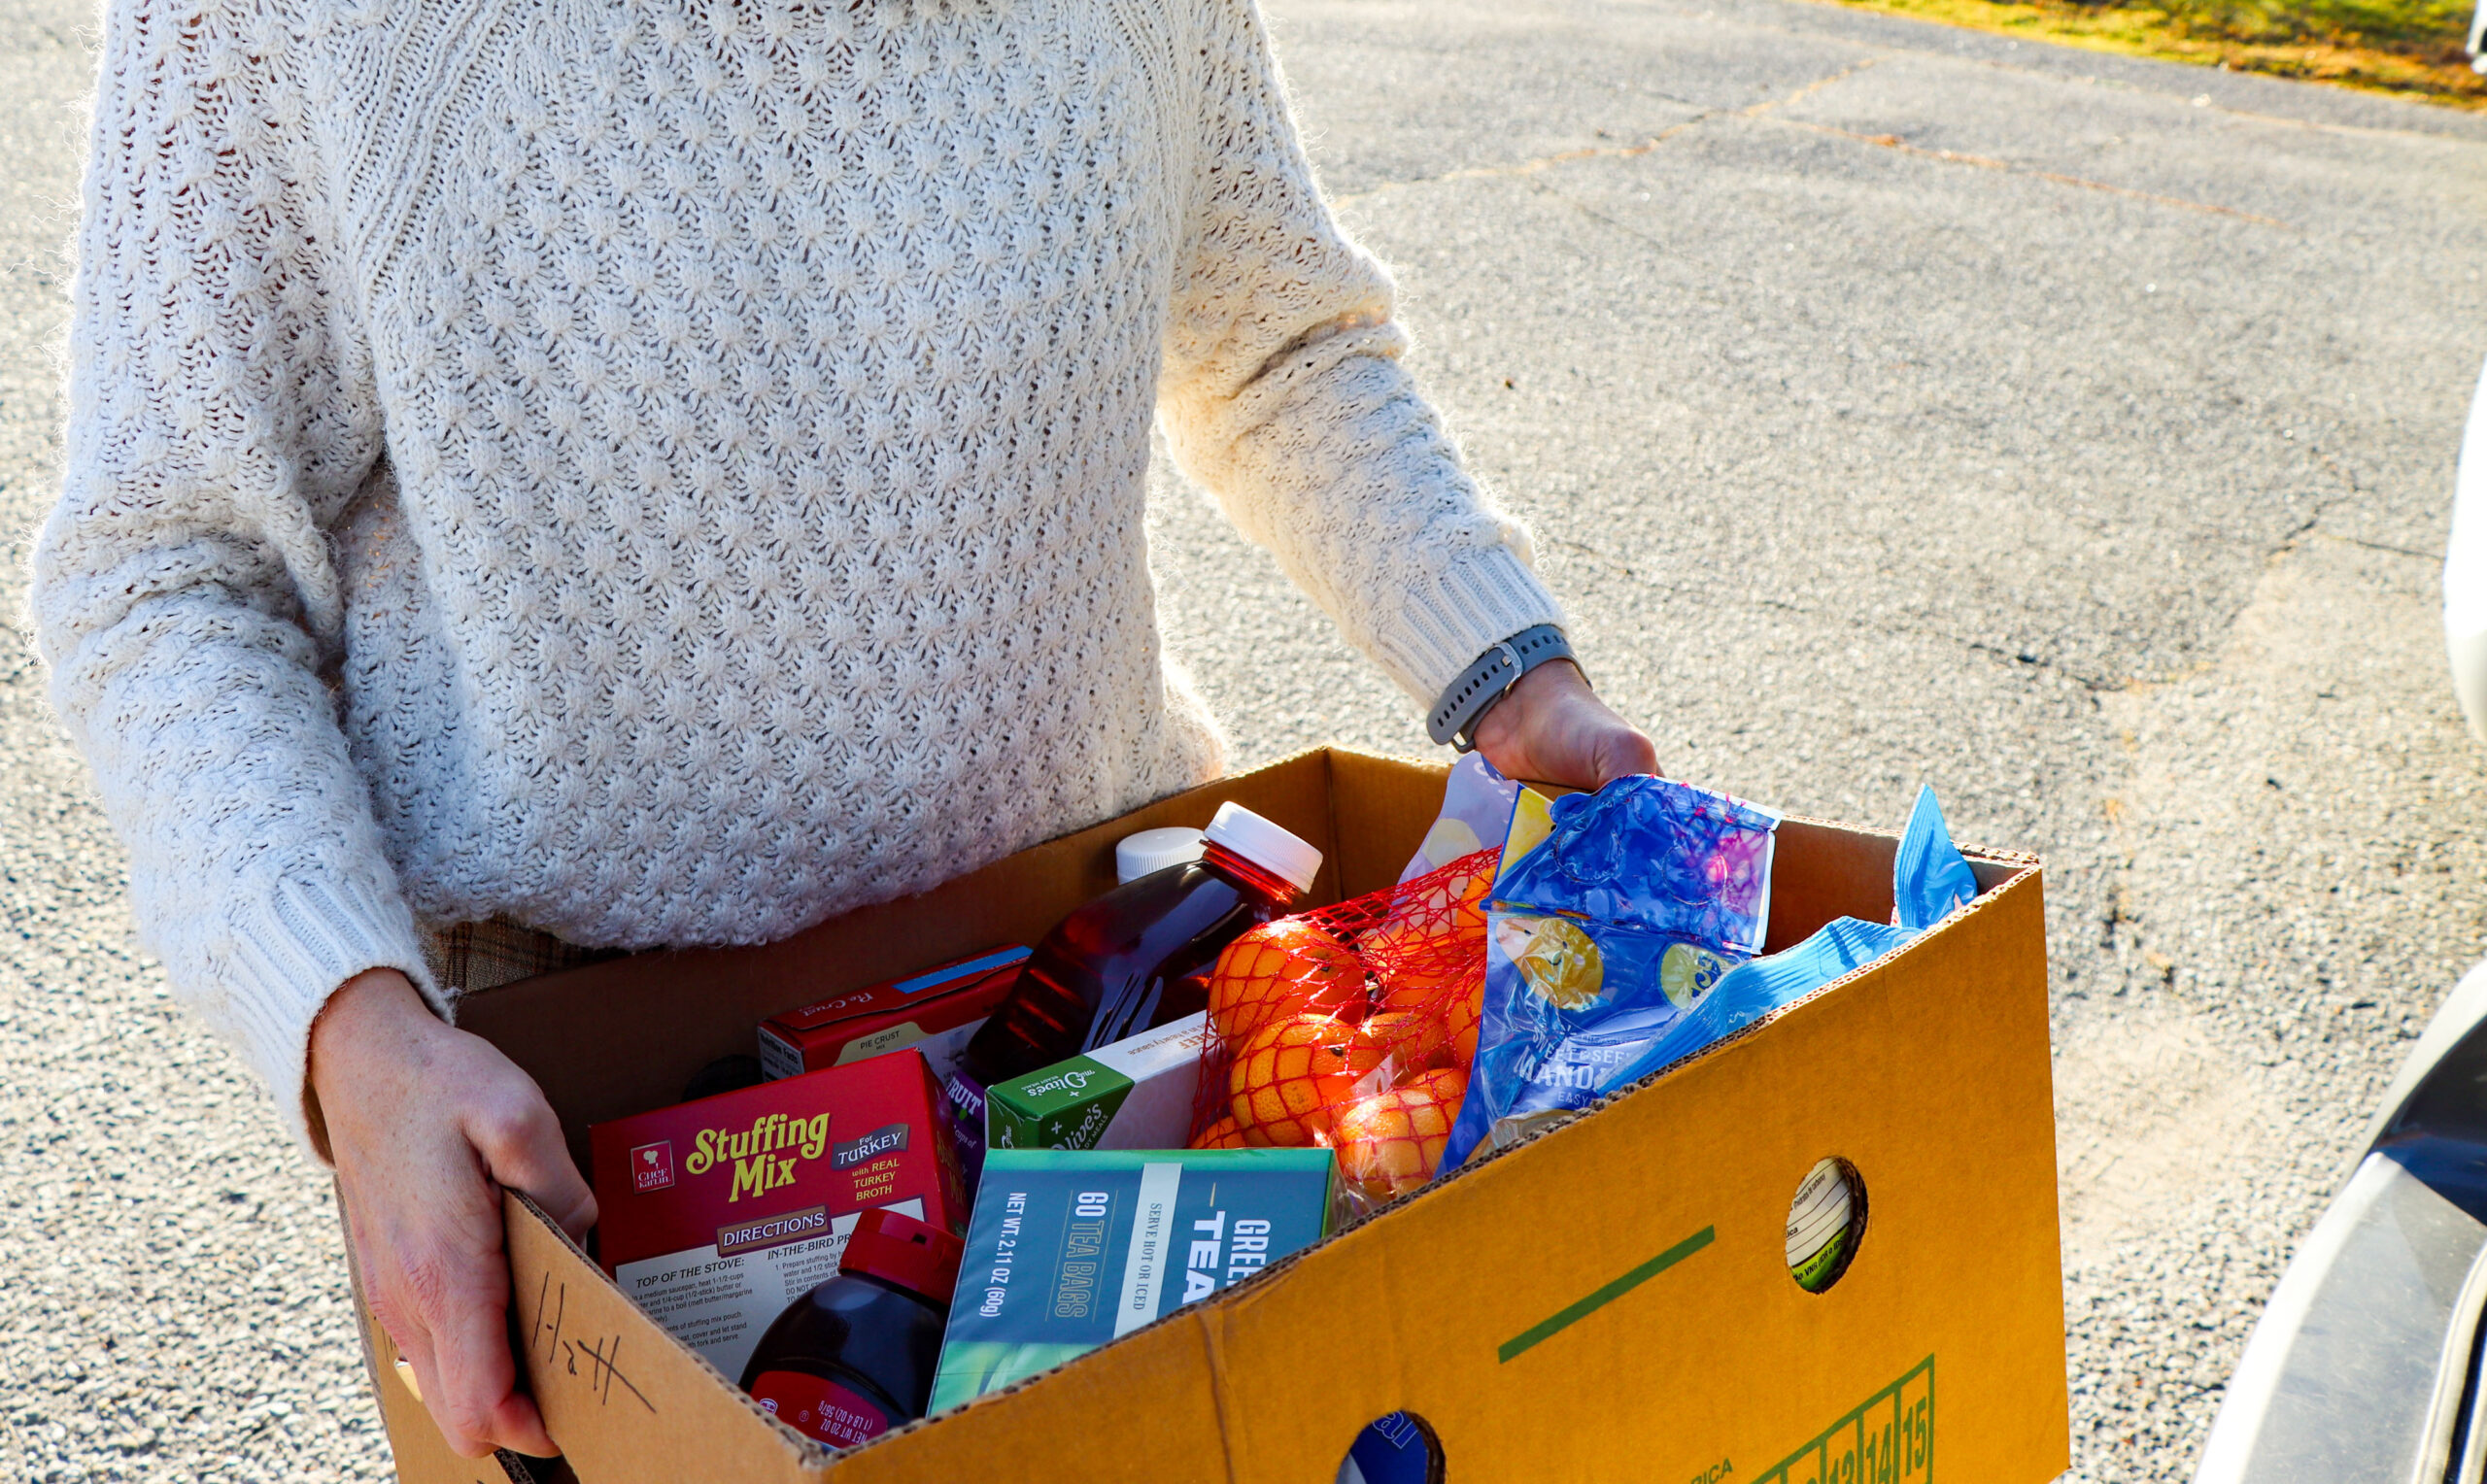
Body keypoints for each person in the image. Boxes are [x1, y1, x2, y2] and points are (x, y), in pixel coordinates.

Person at [31, 0, 1657, 1461]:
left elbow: (1279, 339)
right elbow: (169, 570)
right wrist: (350, 1035)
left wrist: (1516, 679)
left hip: (1107, 1028)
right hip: (599, 1137)